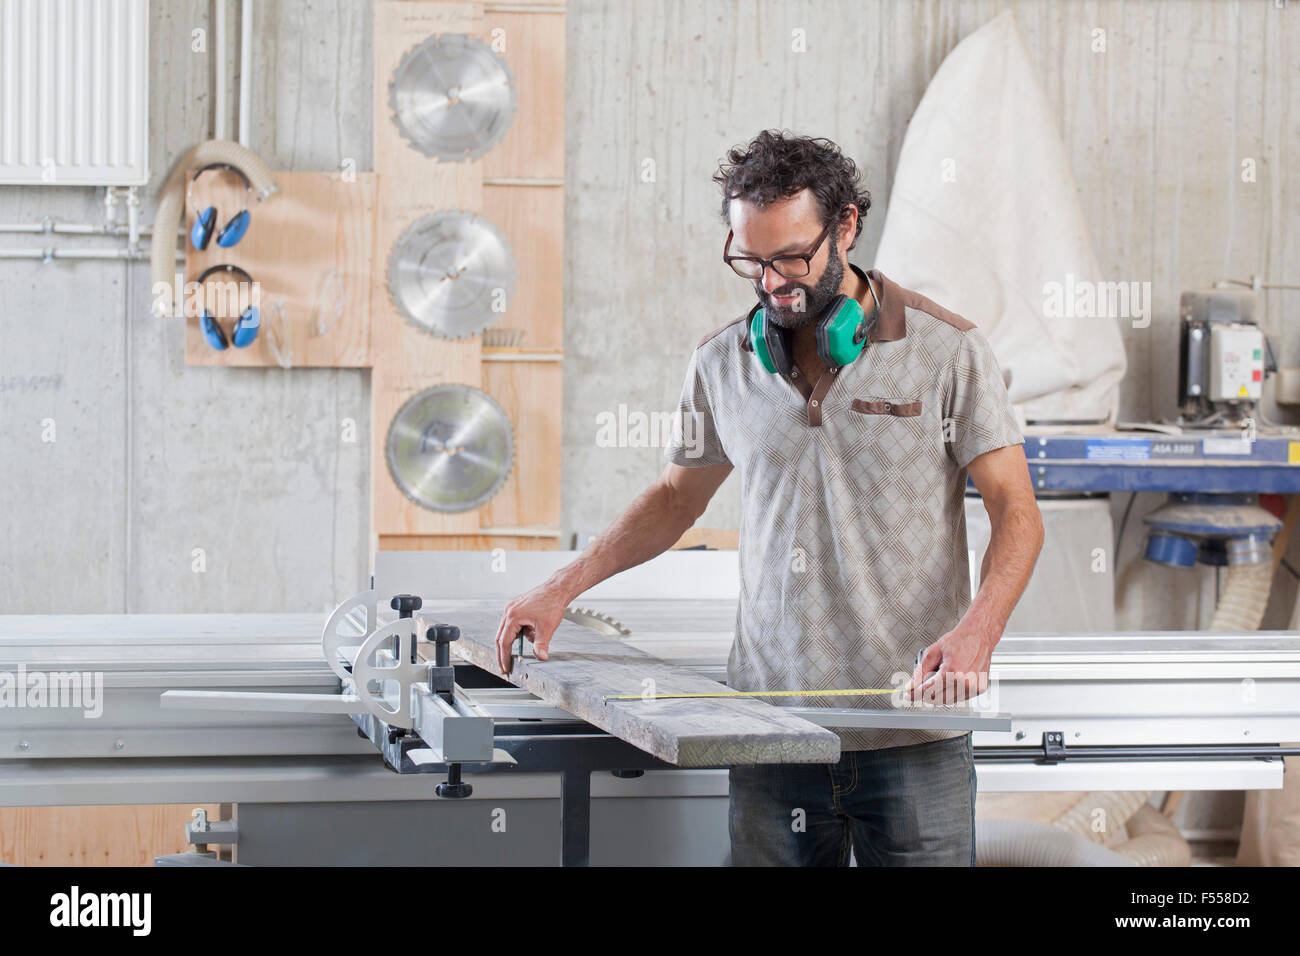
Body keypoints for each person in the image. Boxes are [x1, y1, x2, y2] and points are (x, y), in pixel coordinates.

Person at [494, 129, 1043, 866]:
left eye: (791, 256)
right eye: (750, 260)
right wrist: (561, 588)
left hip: (914, 732)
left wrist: (979, 631)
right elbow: (672, 500)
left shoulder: (948, 352)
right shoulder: (723, 362)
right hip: (770, 727)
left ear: (846, 225)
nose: (772, 282)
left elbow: (1017, 512)